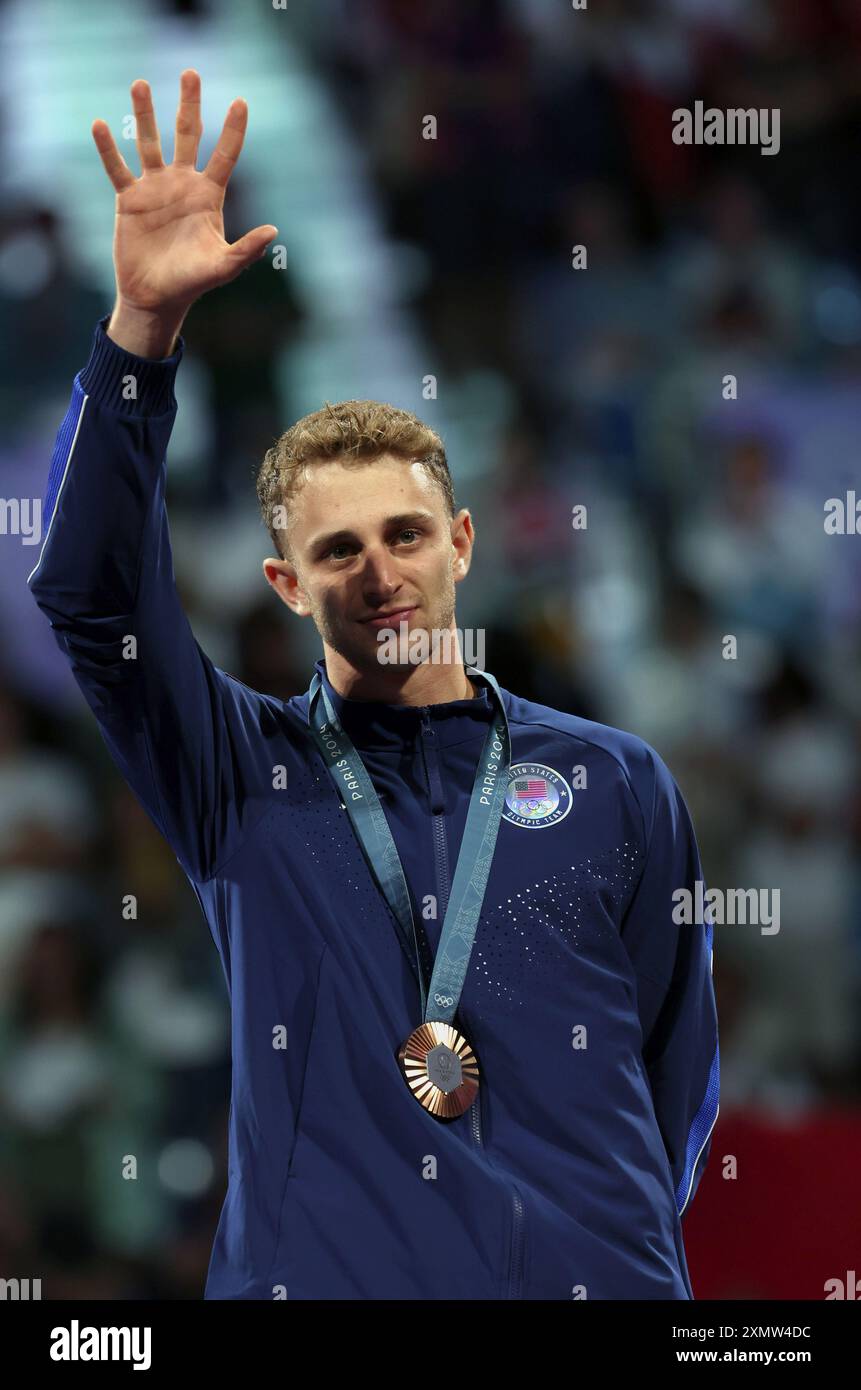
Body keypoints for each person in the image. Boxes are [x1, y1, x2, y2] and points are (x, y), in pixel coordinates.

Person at [28, 70, 719, 1300]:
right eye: (336, 551)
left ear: (460, 540)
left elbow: (674, 1082)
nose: (378, 573)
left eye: (403, 536)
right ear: (289, 586)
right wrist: (139, 337)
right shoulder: (236, 773)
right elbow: (86, 592)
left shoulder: (614, 782)